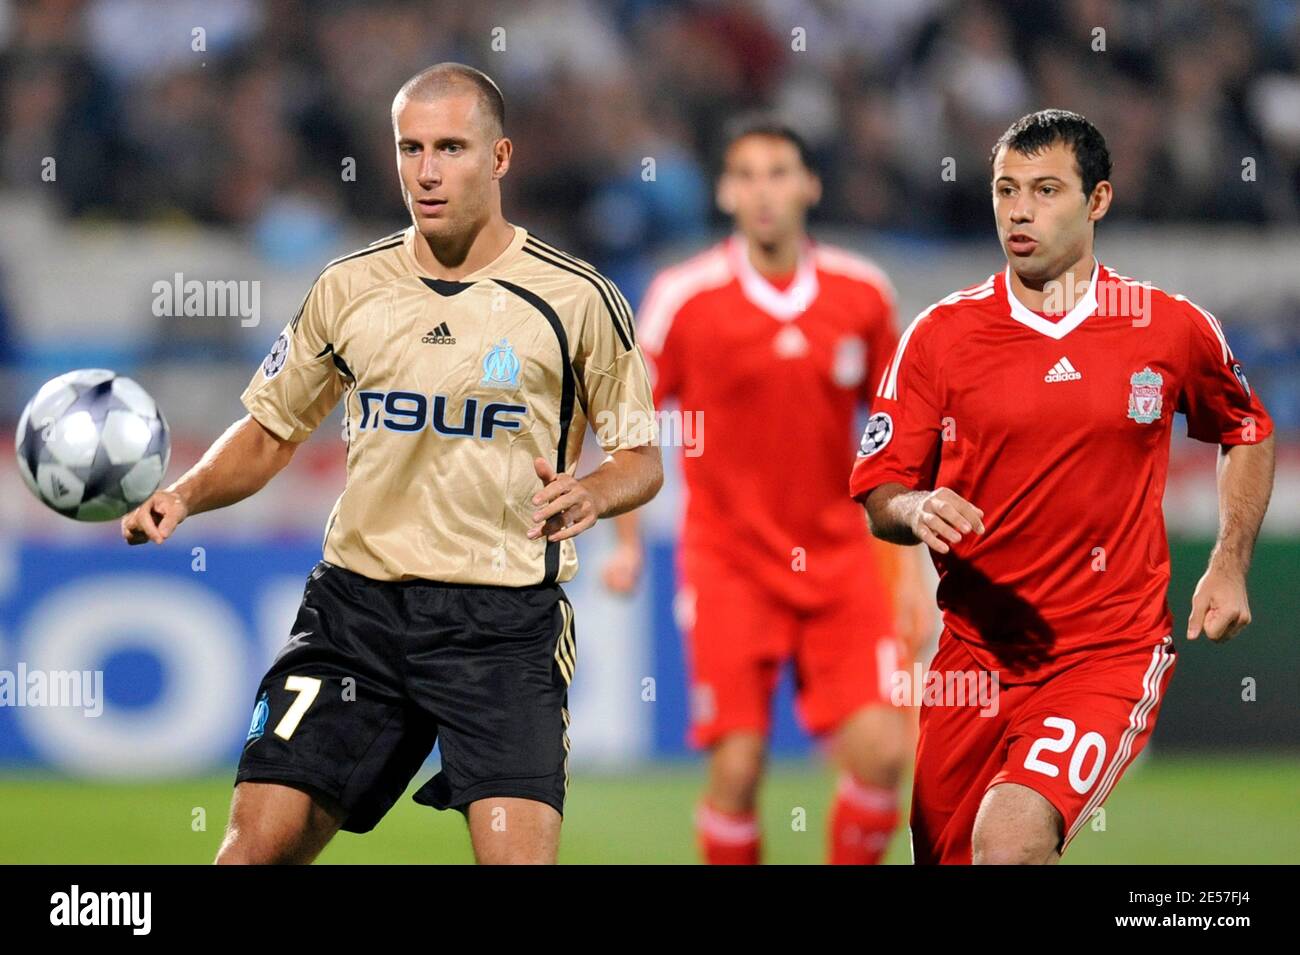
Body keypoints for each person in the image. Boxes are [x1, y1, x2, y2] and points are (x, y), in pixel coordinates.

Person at [121, 62, 662, 864]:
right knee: (249, 852)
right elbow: (271, 428)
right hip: (355, 615)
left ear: (501, 157)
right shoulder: (349, 287)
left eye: (451, 147)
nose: (428, 171)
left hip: (501, 625)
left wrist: (593, 493)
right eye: (411, 148)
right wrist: (185, 494)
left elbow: (642, 457)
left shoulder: (576, 300)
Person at [851, 109, 1276, 864]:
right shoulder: (941, 336)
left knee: (1009, 841)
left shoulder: (1167, 326)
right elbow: (881, 490)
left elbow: (1247, 428)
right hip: (972, 662)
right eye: (1006, 189)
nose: (1019, 209)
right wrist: (918, 506)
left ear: (1099, 200)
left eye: (1045, 189)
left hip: (1105, 652)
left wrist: (1230, 559)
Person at [605, 119, 932, 865]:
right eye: (746, 174)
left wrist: (912, 572)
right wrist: (625, 544)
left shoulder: (861, 294)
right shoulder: (684, 297)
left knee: (884, 755)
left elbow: (899, 436)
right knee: (738, 767)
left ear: (810, 185)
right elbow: (627, 418)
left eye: (779, 172)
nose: (763, 190)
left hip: (844, 557)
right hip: (729, 562)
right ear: (724, 191)